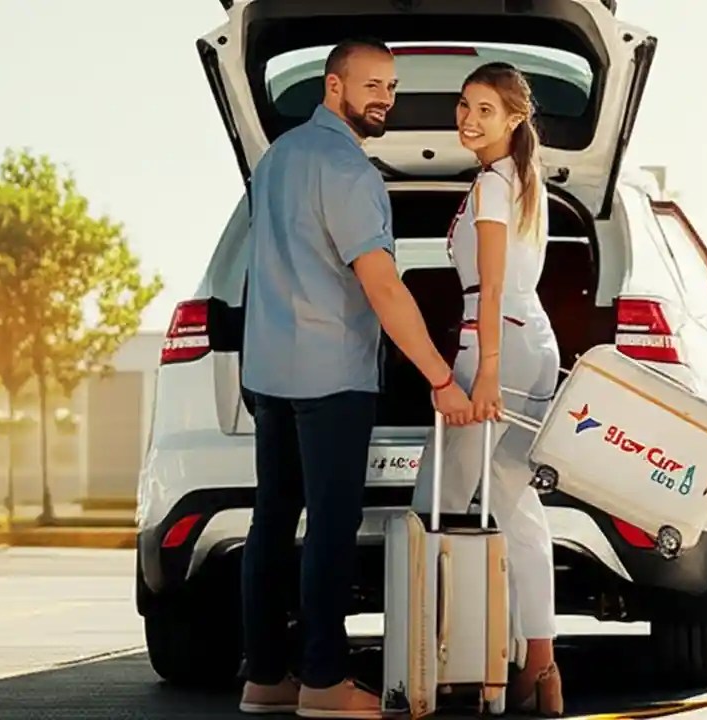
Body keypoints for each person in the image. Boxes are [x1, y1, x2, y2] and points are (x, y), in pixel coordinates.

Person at [237, 38, 474, 719]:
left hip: (269, 375)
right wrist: (439, 376)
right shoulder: (347, 169)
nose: (385, 100)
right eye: (372, 85)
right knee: (332, 529)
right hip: (330, 376)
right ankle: (323, 682)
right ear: (333, 86)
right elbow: (382, 286)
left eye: (392, 88)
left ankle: (265, 678)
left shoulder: (276, 158)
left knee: (272, 522)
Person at [410, 62, 564, 716]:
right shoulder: (524, 179)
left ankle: (430, 661)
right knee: (514, 503)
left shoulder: (493, 186)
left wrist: (489, 373)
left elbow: (493, 287)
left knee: (433, 497)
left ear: (514, 118)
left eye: (484, 109)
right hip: (533, 341)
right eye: (463, 106)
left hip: (495, 343)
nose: (468, 119)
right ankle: (539, 666)